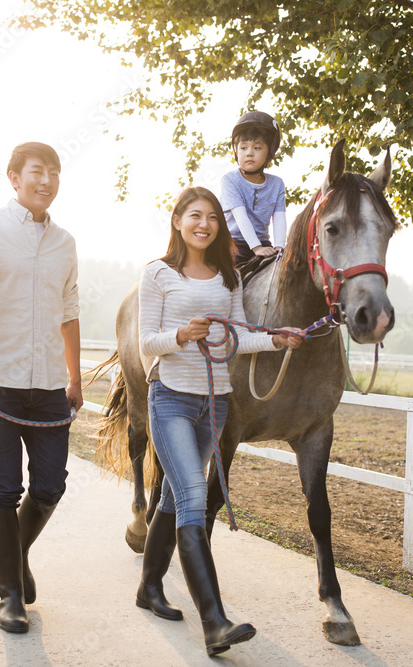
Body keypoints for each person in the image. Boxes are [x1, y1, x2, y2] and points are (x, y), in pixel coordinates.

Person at [136, 186, 304, 656]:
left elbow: (237, 339)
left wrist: (276, 340)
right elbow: (146, 342)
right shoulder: (157, 274)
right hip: (170, 399)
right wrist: (180, 335)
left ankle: (148, 588)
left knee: (173, 495)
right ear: (177, 221)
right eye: (195, 215)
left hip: (215, 403)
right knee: (191, 496)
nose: (204, 223)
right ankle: (214, 623)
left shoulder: (228, 278)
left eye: (212, 216)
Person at [0, 142, 82, 634]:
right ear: (13, 178)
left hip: (50, 385)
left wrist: (76, 375)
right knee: (3, 487)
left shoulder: (66, 243)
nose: (47, 181)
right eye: (37, 172)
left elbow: (71, 311)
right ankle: (10, 593)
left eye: (54, 173)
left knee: (51, 485)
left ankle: (13, 555)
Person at [220, 111, 287, 265]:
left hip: (263, 243)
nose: (249, 153)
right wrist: (256, 248)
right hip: (234, 243)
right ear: (236, 151)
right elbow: (240, 216)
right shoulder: (230, 180)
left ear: (269, 153)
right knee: (226, 277)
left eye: (257, 148)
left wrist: (280, 246)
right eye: (243, 148)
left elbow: (279, 217)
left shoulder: (276, 184)